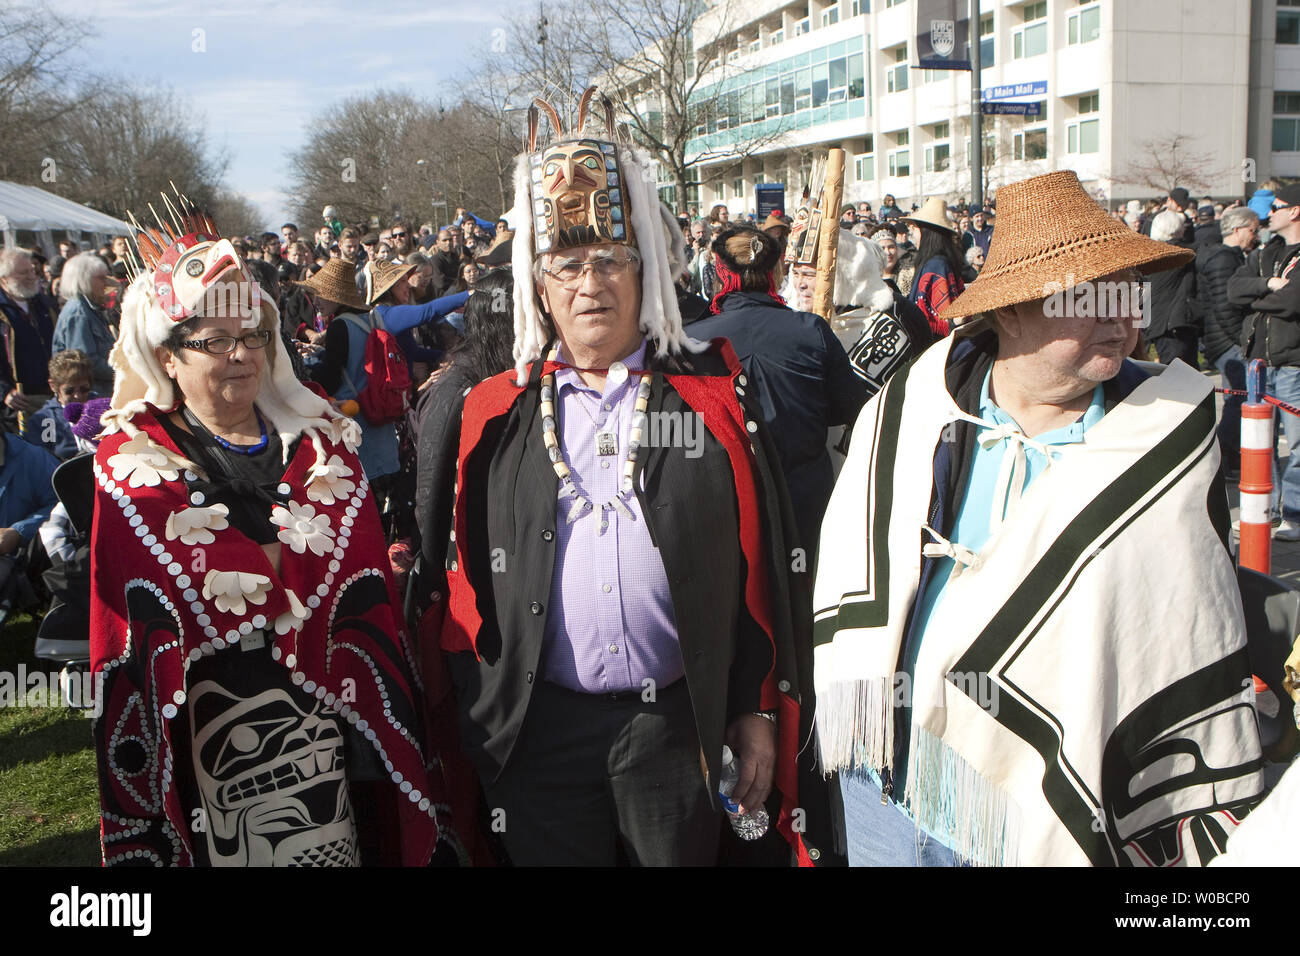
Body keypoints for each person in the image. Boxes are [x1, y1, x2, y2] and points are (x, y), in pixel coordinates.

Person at [814, 170, 1265, 867]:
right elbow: (850, 575)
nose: (1123, 318)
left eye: (1130, 292)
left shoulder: (1168, 432)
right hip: (886, 783)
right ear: (1012, 312)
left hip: (1041, 811)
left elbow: (1184, 624)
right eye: (1091, 297)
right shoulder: (908, 410)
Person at [430, 86, 812, 867]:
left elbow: (759, 571)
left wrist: (753, 708)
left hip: (676, 730)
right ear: (540, 285)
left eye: (611, 261)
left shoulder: (713, 400)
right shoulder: (492, 412)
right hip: (538, 732)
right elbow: (460, 576)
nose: (590, 284)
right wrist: (484, 699)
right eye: (567, 265)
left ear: (645, 277)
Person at [89, 198, 450, 866]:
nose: (240, 354)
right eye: (214, 341)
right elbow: (148, 600)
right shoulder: (132, 460)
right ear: (168, 357)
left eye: (252, 335)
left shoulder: (321, 445)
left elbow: (356, 578)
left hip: (336, 728)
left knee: (339, 841)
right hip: (213, 730)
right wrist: (281, 563)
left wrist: (270, 564)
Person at [690, 225, 867, 551]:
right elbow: (847, 407)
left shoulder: (693, 339)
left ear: (719, 273)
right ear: (775, 271)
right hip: (802, 503)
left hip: (731, 507)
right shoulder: (810, 329)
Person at [1230, 182, 1300, 540]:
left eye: (1275, 206)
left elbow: (1293, 302)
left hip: (1292, 365)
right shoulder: (1264, 253)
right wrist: (1270, 284)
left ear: (1295, 211)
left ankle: (1295, 514)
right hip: (1257, 362)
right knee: (1261, 441)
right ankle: (1265, 510)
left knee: (1297, 442)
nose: (1267, 214)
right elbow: (1233, 290)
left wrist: (1258, 296)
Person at [1197, 206, 1260, 479]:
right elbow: (1225, 307)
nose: (1256, 235)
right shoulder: (1225, 259)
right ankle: (1221, 457)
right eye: (1253, 230)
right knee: (1239, 400)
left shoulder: (1229, 257)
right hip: (1227, 341)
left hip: (1224, 339)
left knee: (1237, 399)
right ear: (1237, 230)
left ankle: (1227, 457)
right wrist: (1242, 340)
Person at [0, 249, 59, 427]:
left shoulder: (44, 304)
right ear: (4, 278)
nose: (31, 276)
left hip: (53, 397)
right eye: (23, 273)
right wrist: (4, 392)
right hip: (20, 403)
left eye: (32, 270)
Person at [899, 198, 966, 336]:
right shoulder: (940, 262)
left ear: (927, 232)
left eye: (915, 229)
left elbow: (940, 319)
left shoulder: (936, 265)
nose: (913, 235)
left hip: (935, 342)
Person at [51, 253, 116, 395]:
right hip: (93, 395)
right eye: (101, 278)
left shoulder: (89, 308)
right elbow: (86, 362)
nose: (106, 283)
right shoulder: (78, 313)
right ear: (84, 281)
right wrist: (124, 372)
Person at [1145, 210, 1199, 366]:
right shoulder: (1178, 255)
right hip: (1171, 324)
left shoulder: (1152, 254)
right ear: (1178, 229)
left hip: (1159, 321)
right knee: (1176, 373)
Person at [23, 349, 93, 460]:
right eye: (69, 391)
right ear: (53, 386)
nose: (78, 396)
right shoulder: (46, 420)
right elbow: (44, 458)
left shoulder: (100, 407)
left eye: (84, 389)